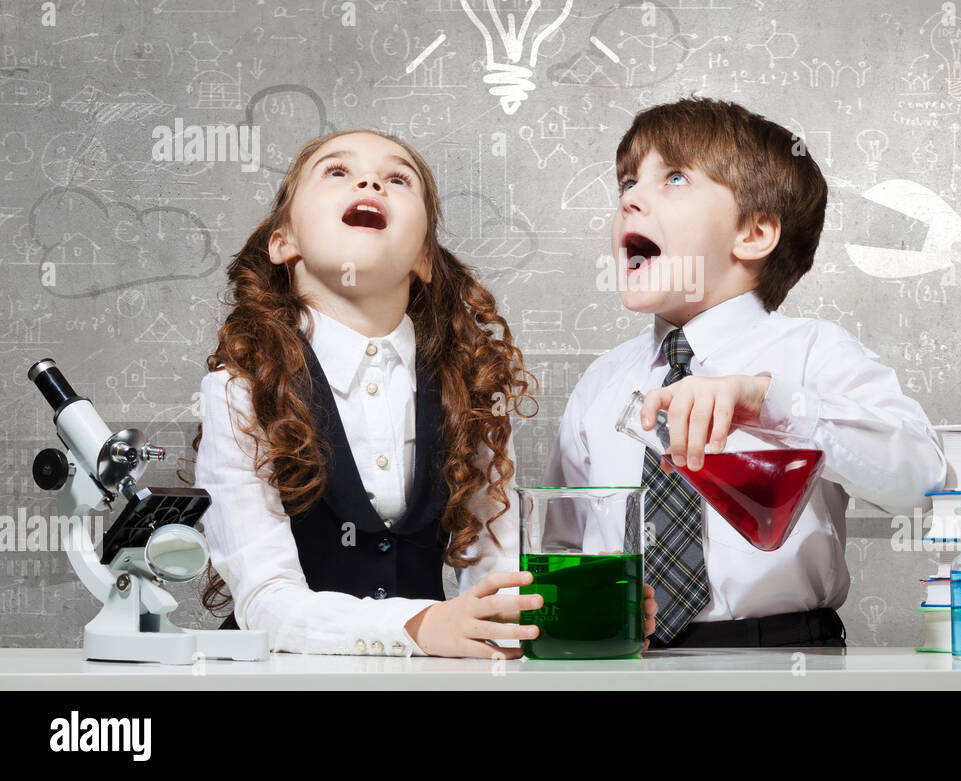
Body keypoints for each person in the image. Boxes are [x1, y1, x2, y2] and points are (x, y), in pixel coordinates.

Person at [193, 128, 655, 658]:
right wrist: (416, 626)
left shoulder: (470, 386)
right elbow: (265, 602)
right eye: (337, 172)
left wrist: (567, 612)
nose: (369, 181)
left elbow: (497, 572)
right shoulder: (238, 391)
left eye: (398, 178)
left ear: (424, 260)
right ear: (284, 242)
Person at [546, 97, 947, 649]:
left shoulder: (814, 352)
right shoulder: (601, 382)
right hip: (622, 659)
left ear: (754, 234)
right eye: (627, 183)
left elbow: (921, 480)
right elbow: (563, 540)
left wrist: (773, 404)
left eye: (675, 178)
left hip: (784, 660)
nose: (631, 199)